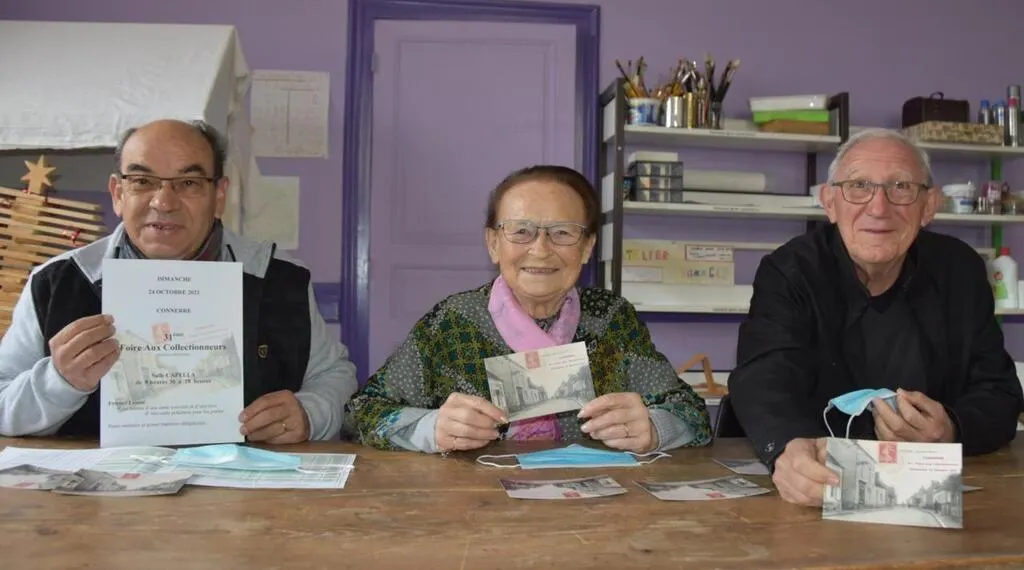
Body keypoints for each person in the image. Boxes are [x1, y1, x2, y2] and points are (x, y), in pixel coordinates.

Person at [0, 119, 358, 443]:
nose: (164, 201)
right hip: (93, 505)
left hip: (248, 505)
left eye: (188, 183)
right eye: (142, 181)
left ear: (218, 196)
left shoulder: (279, 279)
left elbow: (336, 378)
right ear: (117, 194)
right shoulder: (58, 283)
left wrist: (310, 413)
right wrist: (59, 382)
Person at [728, 128, 1023, 506]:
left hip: (928, 498)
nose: (879, 207)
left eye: (901, 187)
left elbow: (999, 391)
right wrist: (788, 448)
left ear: (929, 206)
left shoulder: (959, 270)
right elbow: (764, 376)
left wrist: (951, 426)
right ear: (830, 202)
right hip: (818, 486)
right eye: (859, 186)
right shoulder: (791, 270)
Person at [346, 165, 712, 453]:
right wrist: (430, 429)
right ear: (493, 244)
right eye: (521, 231)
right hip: (474, 514)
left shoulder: (611, 319)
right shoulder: (452, 322)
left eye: (563, 232)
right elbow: (362, 411)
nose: (540, 249)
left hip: (594, 513)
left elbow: (693, 415)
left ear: (586, 248)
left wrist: (655, 427)